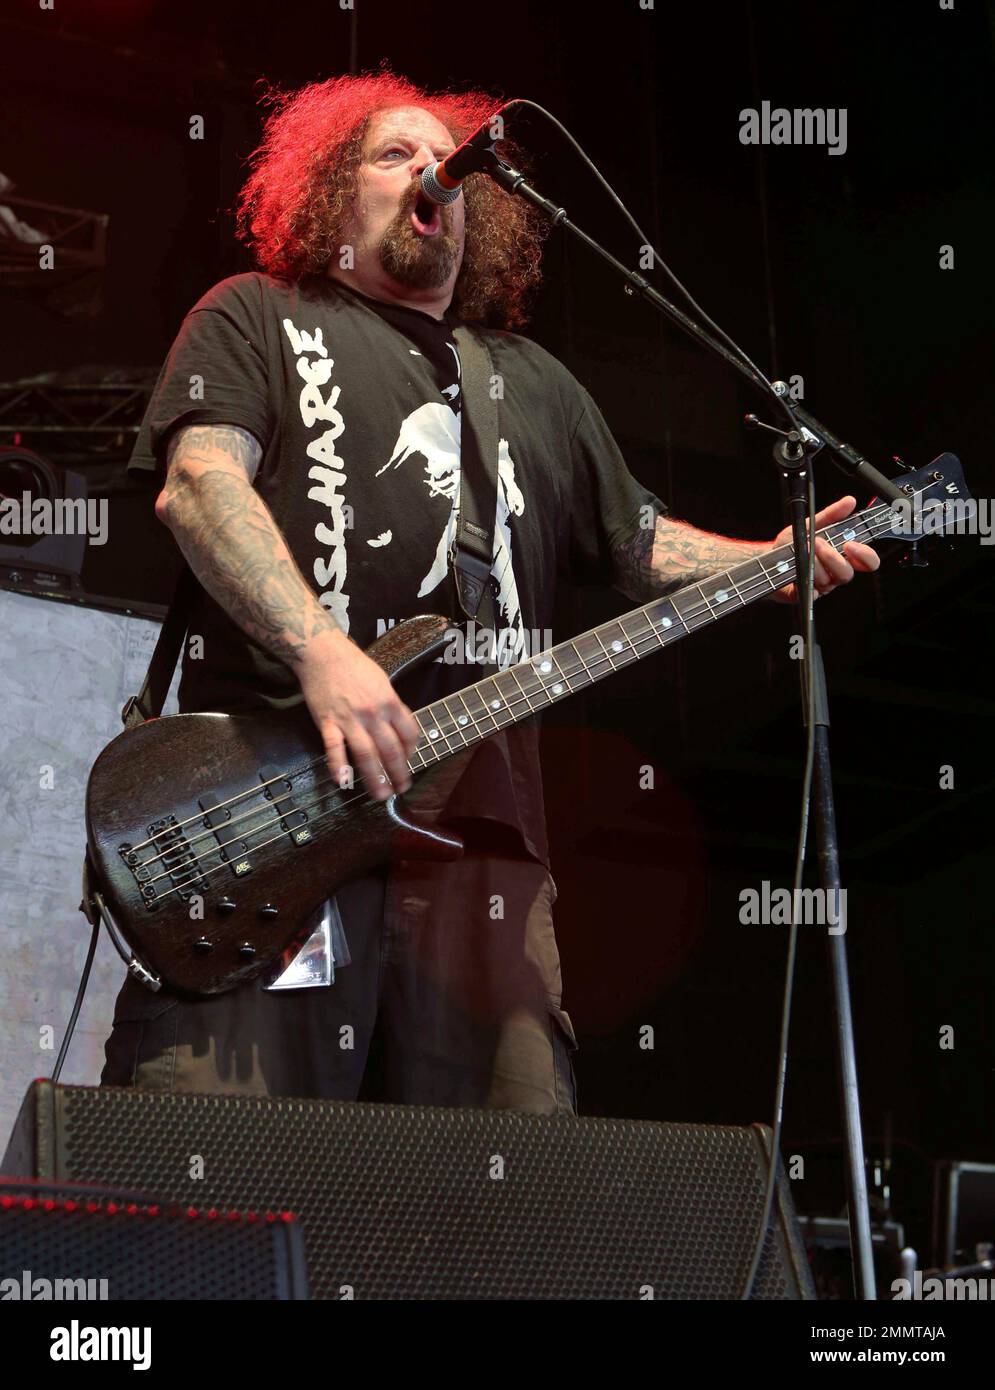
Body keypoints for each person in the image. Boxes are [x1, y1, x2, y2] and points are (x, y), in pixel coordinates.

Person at [100, 71, 878, 1113]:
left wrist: (769, 559)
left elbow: (642, 544)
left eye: (450, 162)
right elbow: (200, 488)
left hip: (481, 845)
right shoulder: (256, 316)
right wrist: (323, 655)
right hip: (268, 811)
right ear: (331, 193)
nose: (431, 170)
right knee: (221, 1164)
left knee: (504, 1190)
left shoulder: (532, 383)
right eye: (392, 154)